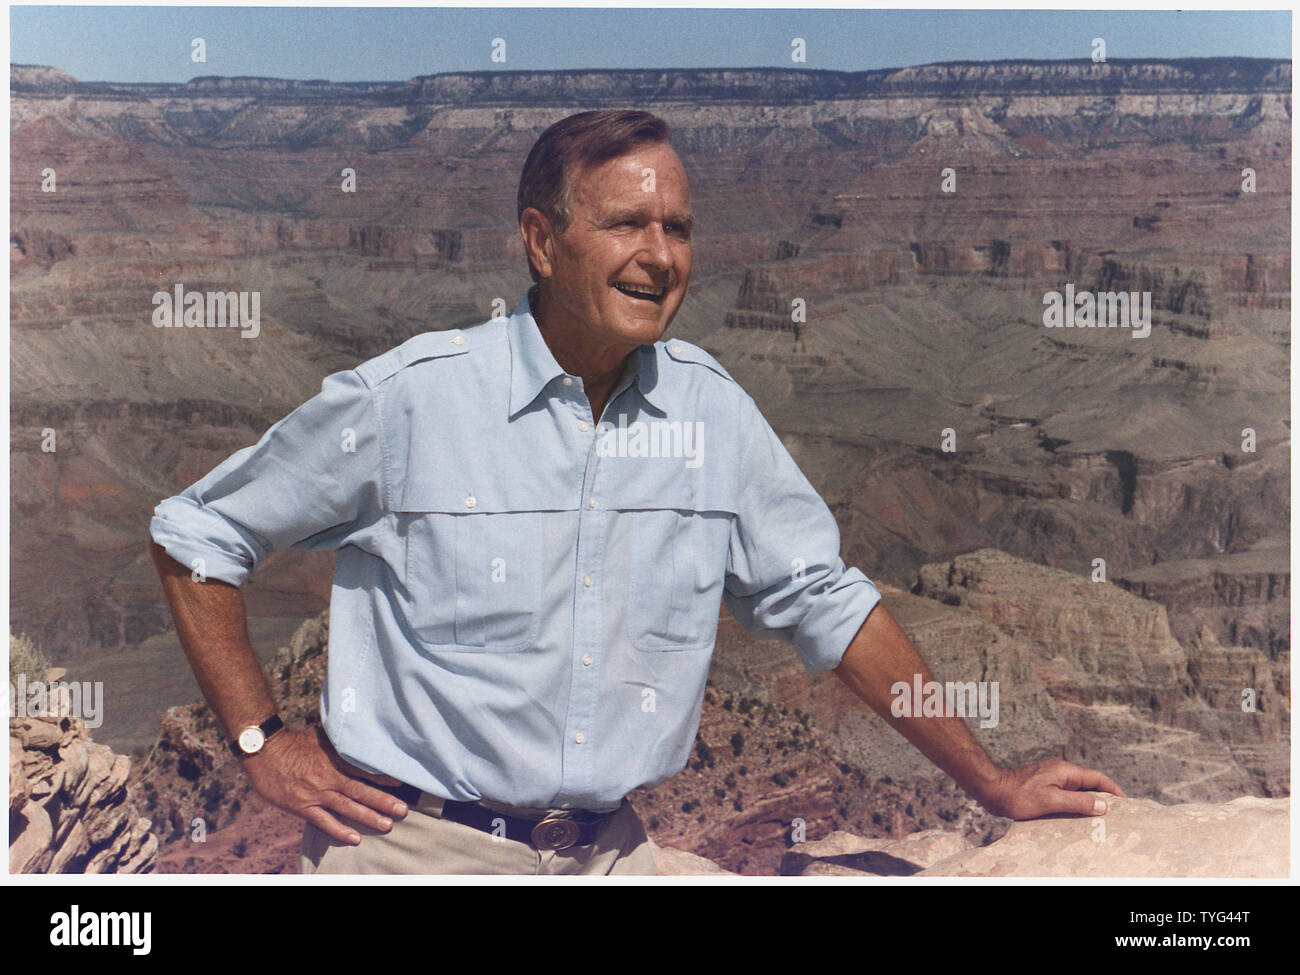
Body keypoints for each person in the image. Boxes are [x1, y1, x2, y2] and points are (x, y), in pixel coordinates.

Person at [149, 109, 1124, 876]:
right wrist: (258, 739)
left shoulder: (711, 411)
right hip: (415, 855)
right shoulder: (413, 399)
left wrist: (990, 783)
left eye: (678, 229)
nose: (660, 256)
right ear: (542, 240)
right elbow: (195, 534)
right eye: (625, 224)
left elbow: (828, 605)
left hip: (613, 852)